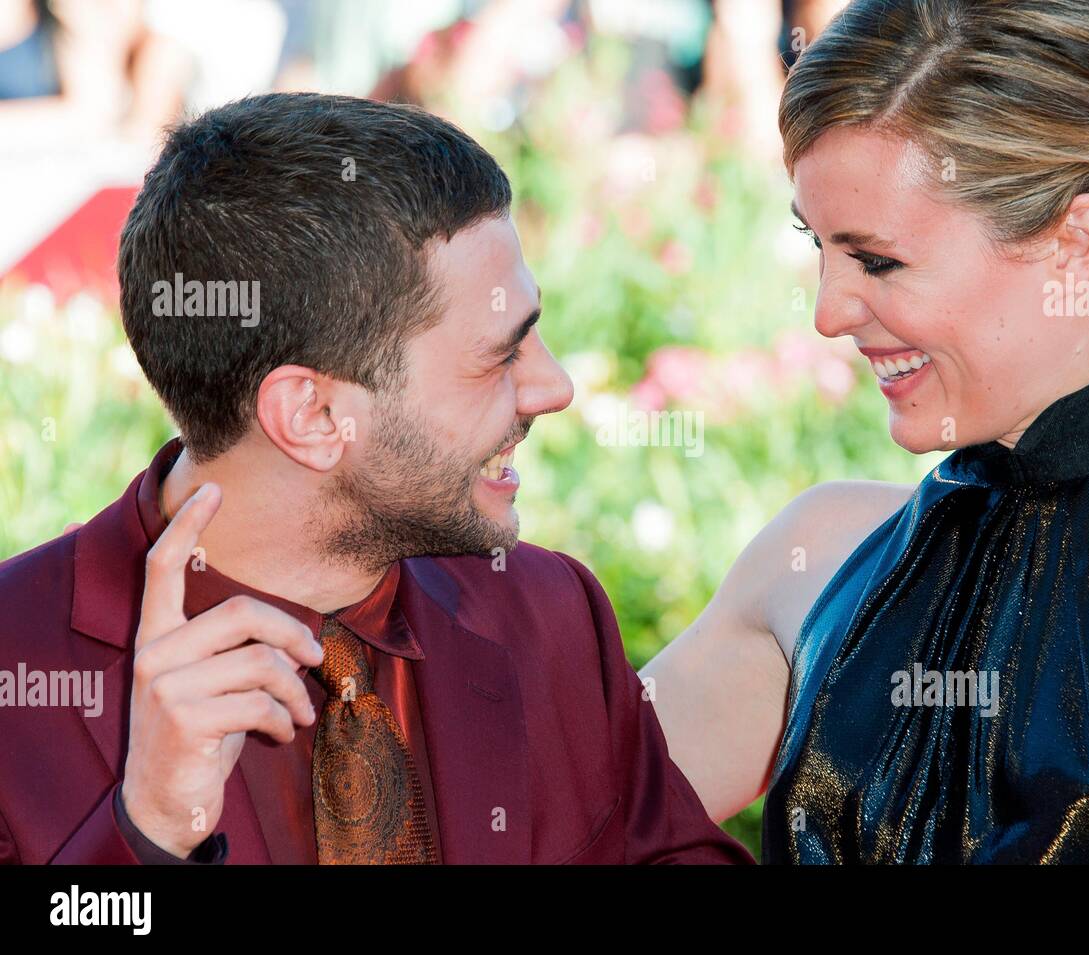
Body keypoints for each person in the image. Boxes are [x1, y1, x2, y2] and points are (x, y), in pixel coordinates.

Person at [0, 92, 752, 865]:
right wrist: (148, 831)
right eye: (500, 353)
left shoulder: (551, 615)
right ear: (314, 414)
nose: (553, 387)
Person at [644, 0, 1089, 863]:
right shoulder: (813, 561)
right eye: (818, 248)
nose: (829, 312)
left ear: (1076, 240)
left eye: (877, 259)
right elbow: (528, 811)